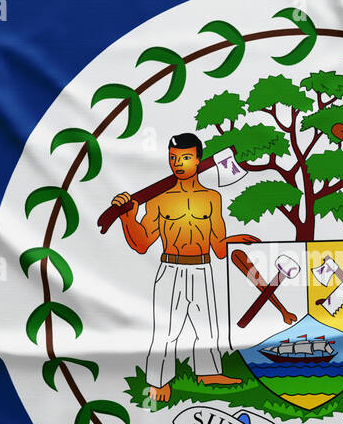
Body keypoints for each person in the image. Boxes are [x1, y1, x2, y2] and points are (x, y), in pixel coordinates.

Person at [111, 133, 259, 403]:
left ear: (199, 160)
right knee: (167, 329)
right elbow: (142, 243)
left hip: (203, 268)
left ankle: (209, 372)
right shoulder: (158, 199)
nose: (178, 163)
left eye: (186, 157)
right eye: (173, 158)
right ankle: (158, 381)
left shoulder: (212, 198)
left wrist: (234, 240)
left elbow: (217, 247)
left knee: (208, 327)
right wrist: (127, 218)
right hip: (172, 269)